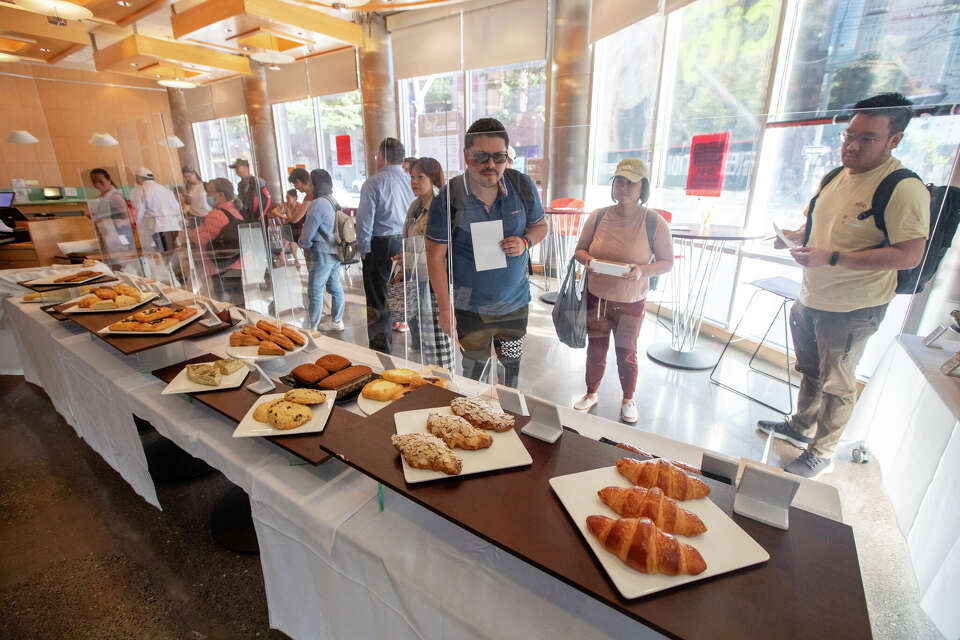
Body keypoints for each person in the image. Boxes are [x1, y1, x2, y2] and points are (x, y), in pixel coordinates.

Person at [758, 92, 930, 478]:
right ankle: (801, 426)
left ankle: (823, 451)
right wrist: (793, 235)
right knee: (811, 369)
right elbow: (817, 225)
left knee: (838, 383)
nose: (851, 145)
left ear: (894, 140)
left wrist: (834, 258)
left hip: (854, 307)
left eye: (866, 138)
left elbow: (909, 254)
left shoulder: (902, 188)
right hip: (811, 295)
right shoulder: (834, 177)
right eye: (848, 135)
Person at [426, 118, 547, 388]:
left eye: (499, 157)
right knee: (474, 376)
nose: (491, 165)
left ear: (507, 156)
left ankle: (506, 417)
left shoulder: (521, 186)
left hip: (514, 305)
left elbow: (540, 226)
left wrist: (525, 242)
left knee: (510, 374)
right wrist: (445, 310)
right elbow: (435, 257)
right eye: (481, 157)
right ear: (467, 156)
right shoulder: (449, 197)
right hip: (470, 308)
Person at [571, 159, 674, 423]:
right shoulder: (599, 216)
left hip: (631, 300)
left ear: (643, 187)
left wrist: (641, 271)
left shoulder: (654, 222)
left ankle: (628, 398)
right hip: (597, 297)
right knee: (595, 347)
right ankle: (591, 392)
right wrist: (588, 262)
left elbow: (666, 262)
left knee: (626, 351)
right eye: (619, 181)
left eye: (631, 182)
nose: (624, 187)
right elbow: (580, 250)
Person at [391, 157, 452, 368]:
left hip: (435, 283)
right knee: (425, 340)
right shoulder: (415, 206)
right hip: (417, 281)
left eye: (420, 176)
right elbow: (408, 241)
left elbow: (439, 254)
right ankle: (431, 382)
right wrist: (402, 262)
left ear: (433, 178)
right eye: (412, 177)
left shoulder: (441, 205)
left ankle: (446, 384)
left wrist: (406, 258)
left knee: (439, 340)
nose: (414, 181)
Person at [356, 138, 416, 353]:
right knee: (404, 293)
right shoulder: (411, 181)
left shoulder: (373, 182)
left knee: (378, 302)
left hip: (381, 245)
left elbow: (365, 221)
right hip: (406, 242)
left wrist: (363, 249)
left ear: (382, 156)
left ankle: (382, 353)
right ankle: (416, 345)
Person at [298, 169, 345, 332]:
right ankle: (337, 320)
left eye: (310, 182)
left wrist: (302, 244)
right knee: (334, 286)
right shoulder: (332, 200)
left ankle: (313, 328)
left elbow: (308, 232)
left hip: (322, 252)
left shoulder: (317, 204)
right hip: (336, 250)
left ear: (316, 184)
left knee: (315, 290)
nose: (308, 185)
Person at [190, 178, 246, 305]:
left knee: (224, 305)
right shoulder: (235, 211)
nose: (207, 195)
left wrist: (196, 231)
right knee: (239, 301)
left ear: (221, 194)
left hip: (221, 267)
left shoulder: (215, 215)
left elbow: (203, 241)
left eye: (210, 192)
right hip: (238, 263)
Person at [131, 167, 182, 254]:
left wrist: (135, 223)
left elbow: (139, 210)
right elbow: (178, 208)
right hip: (173, 226)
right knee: (171, 254)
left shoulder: (141, 190)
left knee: (163, 256)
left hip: (158, 227)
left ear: (139, 178)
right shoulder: (165, 189)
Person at [88, 168, 135, 258]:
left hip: (120, 239)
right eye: (94, 182)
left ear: (109, 179)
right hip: (107, 238)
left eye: (101, 181)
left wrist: (120, 222)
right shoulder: (102, 196)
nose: (98, 185)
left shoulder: (115, 197)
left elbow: (130, 219)